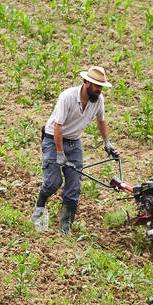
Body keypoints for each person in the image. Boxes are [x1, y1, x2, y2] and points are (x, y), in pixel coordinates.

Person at [32, 66, 119, 235]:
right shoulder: (67, 97)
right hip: (53, 139)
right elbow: (58, 126)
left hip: (74, 142)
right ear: (86, 82)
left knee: (73, 187)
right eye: (96, 86)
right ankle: (40, 206)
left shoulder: (98, 100)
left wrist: (107, 142)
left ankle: (65, 228)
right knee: (52, 183)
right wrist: (59, 153)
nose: (99, 90)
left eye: (101, 87)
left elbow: (101, 120)